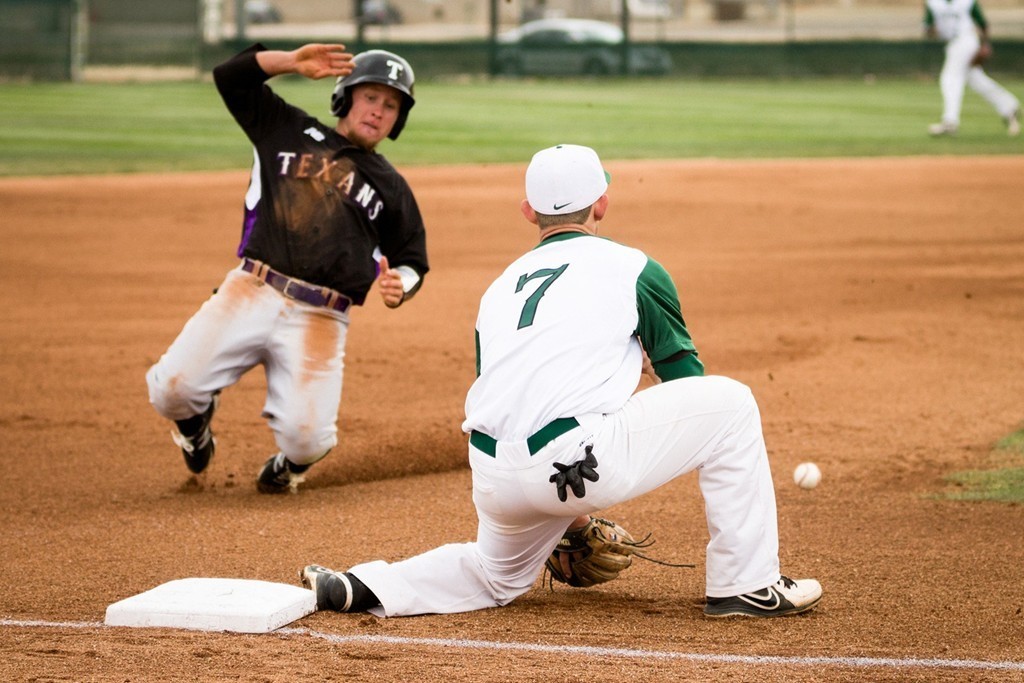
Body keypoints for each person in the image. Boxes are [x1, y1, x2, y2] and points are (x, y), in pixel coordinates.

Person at [298, 144, 823, 618]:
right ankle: (746, 584)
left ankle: (358, 586)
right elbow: (687, 382)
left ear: (529, 212)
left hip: (495, 480)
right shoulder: (633, 267)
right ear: (603, 203)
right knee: (730, 405)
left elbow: (513, 391)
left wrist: (569, 520)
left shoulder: (499, 288)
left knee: (494, 574)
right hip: (578, 465)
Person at [146, 43, 429, 494]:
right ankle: (194, 428)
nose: (379, 110)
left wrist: (402, 285)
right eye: (371, 97)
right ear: (345, 95)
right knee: (170, 390)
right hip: (253, 288)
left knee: (308, 441)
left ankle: (287, 467)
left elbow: (413, 258)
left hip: (321, 317)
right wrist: (290, 63)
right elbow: (230, 76)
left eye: (391, 104)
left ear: (399, 119)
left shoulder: (392, 187)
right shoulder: (285, 128)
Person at [924, 0, 1021, 137]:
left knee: (950, 78)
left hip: (966, 40)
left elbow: (982, 23)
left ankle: (950, 121)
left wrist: (985, 44)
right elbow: (928, 29)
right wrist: (933, 30)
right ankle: (1009, 107)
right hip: (952, 43)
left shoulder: (966, 1)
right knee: (975, 79)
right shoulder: (933, 3)